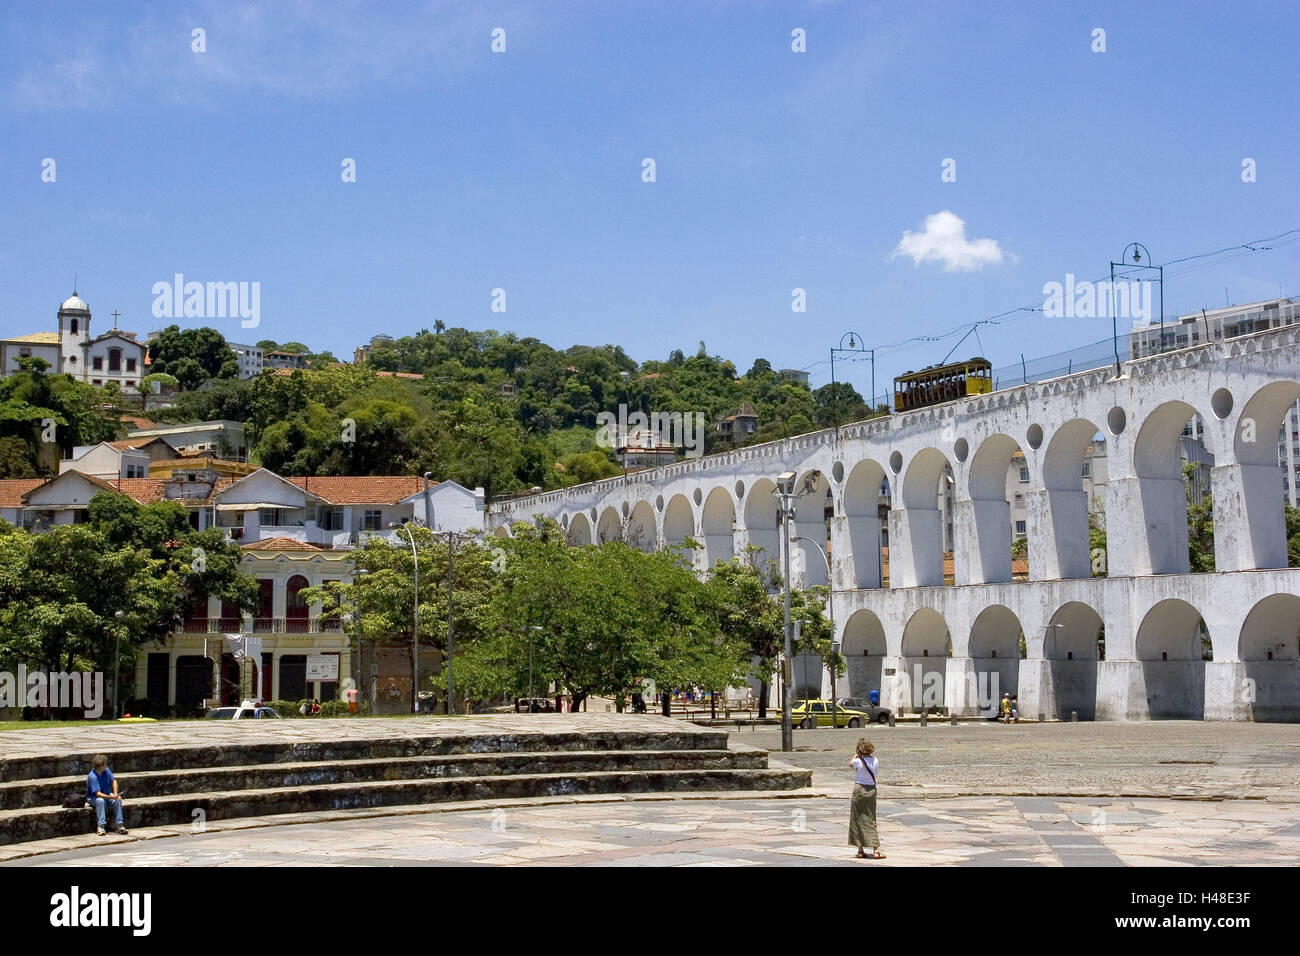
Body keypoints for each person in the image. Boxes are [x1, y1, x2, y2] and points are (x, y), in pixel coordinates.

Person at [848, 738, 883, 860]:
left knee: (857, 818)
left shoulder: (858, 761)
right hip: (871, 790)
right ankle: (876, 849)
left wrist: (856, 754)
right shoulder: (876, 761)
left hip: (859, 790)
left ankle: (860, 850)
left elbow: (850, 764)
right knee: (870, 818)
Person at [86, 754, 127, 837]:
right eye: (105, 764)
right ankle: (101, 827)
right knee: (100, 801)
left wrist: (115, 794)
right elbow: (98, 793)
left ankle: (120, 825)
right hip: (94, 797)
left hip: (107, 794)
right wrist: (110, 797)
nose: (106, 765)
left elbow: (113, 780)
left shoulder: (106, 770)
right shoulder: (92, 776)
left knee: (118, 799)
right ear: (100, 766)